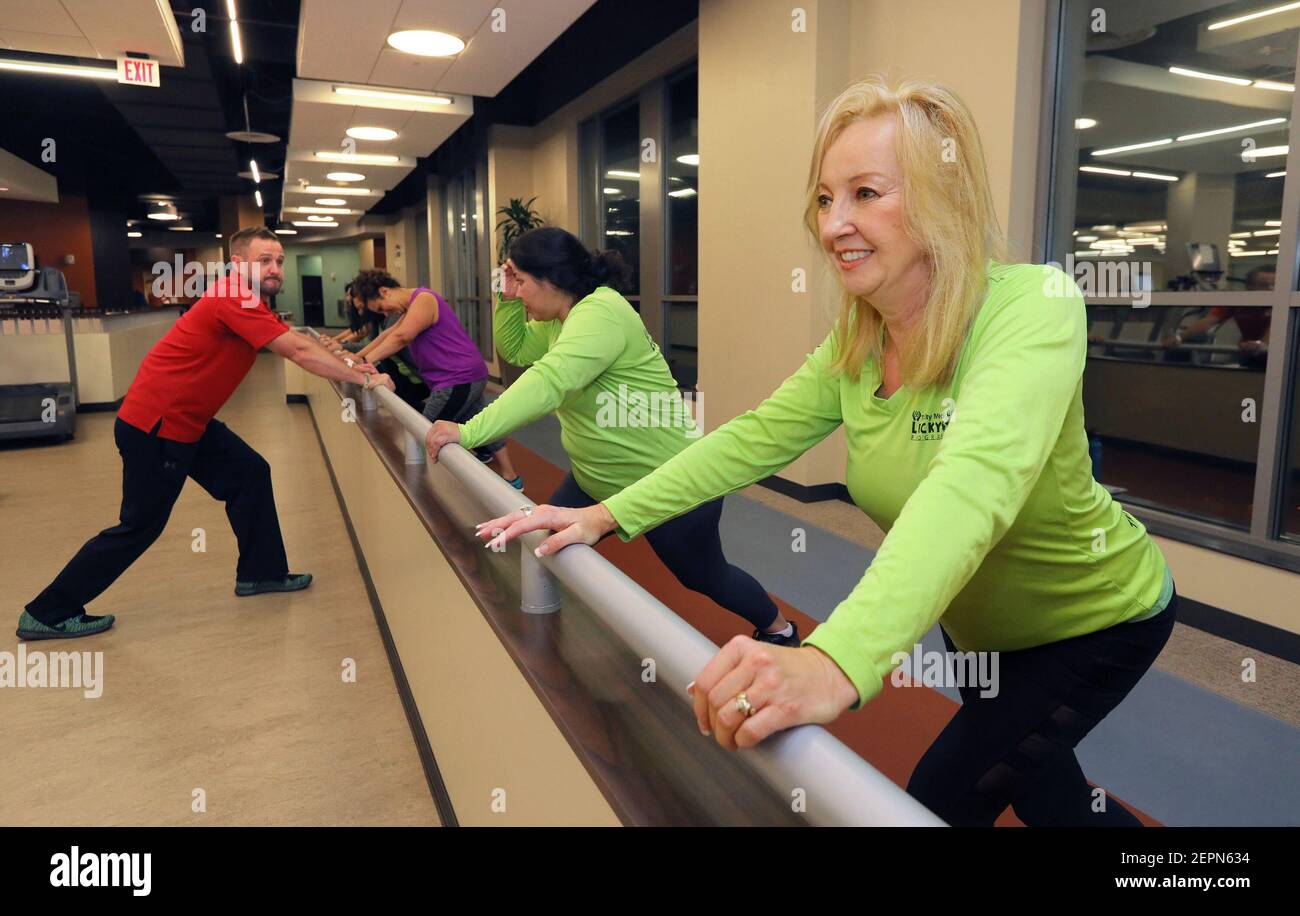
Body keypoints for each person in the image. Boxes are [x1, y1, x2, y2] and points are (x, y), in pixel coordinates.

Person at [472, 78, 1177, 827]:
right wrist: (605, 514)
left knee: (938, 800)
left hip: (1095, 621)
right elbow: (750, 439)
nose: (834, 224)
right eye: (823, 198)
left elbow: (973, 485)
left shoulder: (1033, 305)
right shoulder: (860, 339)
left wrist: (835, 658)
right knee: (1049, 798)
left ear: (945, 198)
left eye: (866, 193)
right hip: (982, 627)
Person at [17, 226, 395, 642]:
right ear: (238, 264)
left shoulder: (248, 300)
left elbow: (292, 339)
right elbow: (297, 350)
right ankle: (47, 612)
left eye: (279, 261)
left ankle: (262, 573)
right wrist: (364, 379)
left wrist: (352, 364)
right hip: (158, 425)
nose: (274, 268)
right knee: (139, 526)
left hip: (188, 422)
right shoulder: (234, 297)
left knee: (249, 473)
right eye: (264, 261)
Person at [424, 227, 797, 645]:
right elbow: (515, 349)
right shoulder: (559, 320)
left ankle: (780, 629)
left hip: (669, 480)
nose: (518, 291)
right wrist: (506, 295)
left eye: (521, 281)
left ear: (551, 279)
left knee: (704, 577)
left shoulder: (601, 313)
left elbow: (549, 383)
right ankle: (542, 640)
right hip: (594, 478)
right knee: (545, 542)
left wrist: (469, 431)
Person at [348, 270, 523, 490]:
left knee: (422, 430)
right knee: (478, 420)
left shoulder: (424, 299)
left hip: (457, 378)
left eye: (382, 308)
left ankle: (421, 488)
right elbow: (387, 335)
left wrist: (367, 361)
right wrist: (357, 358)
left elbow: (402, 337)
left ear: (385, 291)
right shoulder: (411, 308)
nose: (385, 313)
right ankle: (511, 477)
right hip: (468, 374)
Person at [1160, 266, 1274, 367]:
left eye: (1274, 285)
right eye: (1264, 285)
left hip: (1275, 354)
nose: (1270, 289)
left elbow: (1276, 326)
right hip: (1250, 353)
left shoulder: (1277, 303)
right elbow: (1208, 321)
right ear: (1249, 286)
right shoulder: (1238, 302)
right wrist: (1179, 338)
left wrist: (1262, 344)